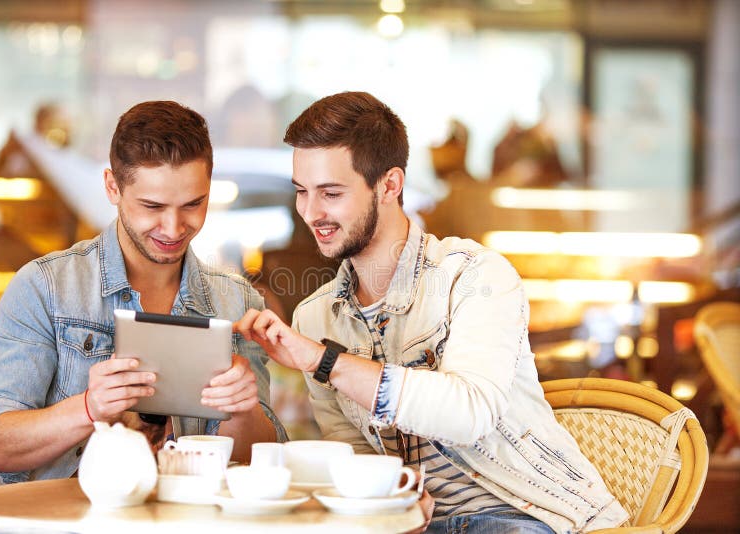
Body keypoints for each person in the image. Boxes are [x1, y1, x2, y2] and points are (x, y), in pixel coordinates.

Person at [235, 92, 628, 533]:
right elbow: (355, 453)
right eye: (302, 192)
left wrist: (323, 360)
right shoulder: (315, 317)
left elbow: (469, 411)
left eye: (331, 193)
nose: (311, 212)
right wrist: (391, 499)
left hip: (524, 515)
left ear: (389, 185)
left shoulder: (476, 276)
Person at [0, 100, 286, 485]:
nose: (173, 228)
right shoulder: (45, 288)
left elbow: (257, 460)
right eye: (152, 206)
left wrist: (240, 408)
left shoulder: (236, 301)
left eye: (193, 204)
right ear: (112, 187)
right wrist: (89, 408)